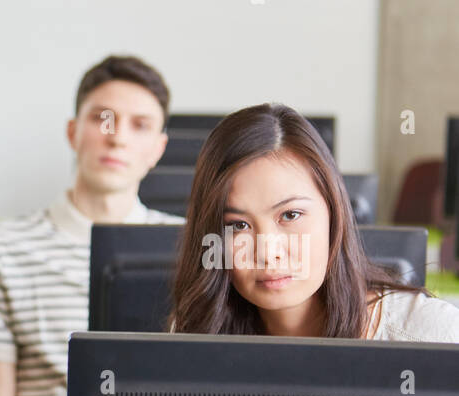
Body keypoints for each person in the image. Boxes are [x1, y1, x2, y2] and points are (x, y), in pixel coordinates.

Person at [0, 55, 181, 396]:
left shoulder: (186, 249)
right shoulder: (0, 249)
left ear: (158, 149)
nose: (118, 138)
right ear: (73, 132)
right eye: (102, 119)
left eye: (139, 125)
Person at [169, 102, 459, 341]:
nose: (268, 254)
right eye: (238, 225)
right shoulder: (194, 331)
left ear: (334, 214)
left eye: (290, 215)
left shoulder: (431, 333)